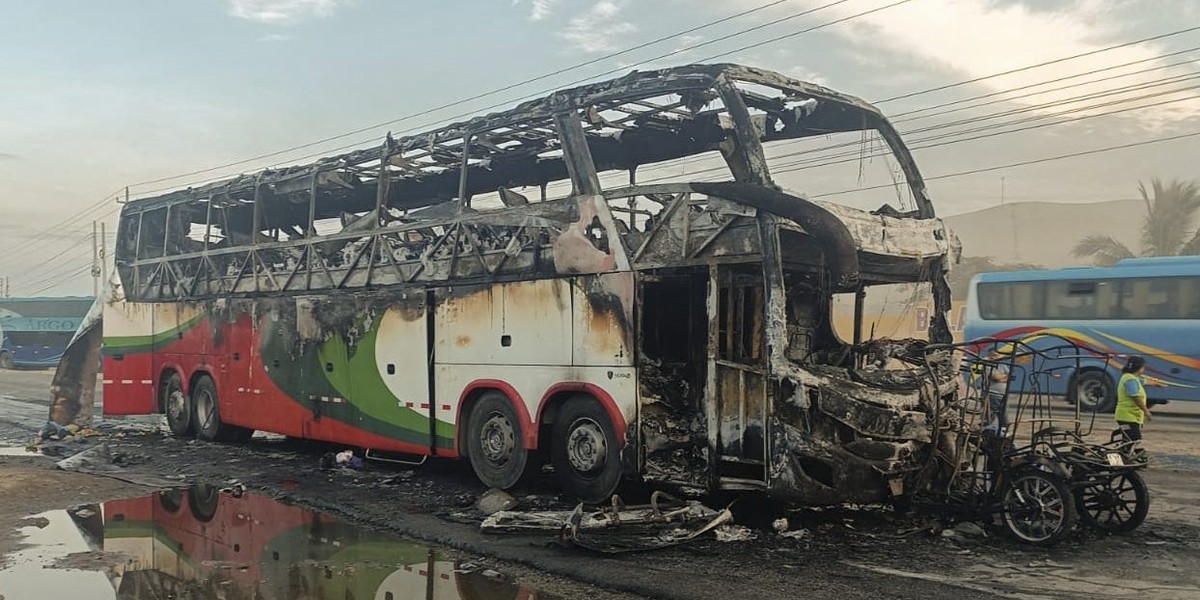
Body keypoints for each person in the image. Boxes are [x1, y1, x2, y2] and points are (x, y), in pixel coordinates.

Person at [1114, 355, 1164, 448]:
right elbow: (1135, 397)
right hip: (1127, 416)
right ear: (1139, 368)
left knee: (1129, 440)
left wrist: (1156, 383)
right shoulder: (1130, 380)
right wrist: (1146, 411)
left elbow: (1143, 381)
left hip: (1130, 416)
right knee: (1134, 439)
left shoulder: (1130, 377)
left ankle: (1124, 455)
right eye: (1143, 367)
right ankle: (1122, 455)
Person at [985, 346, 1012, 431]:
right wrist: (1003, 377)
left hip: (1002, 395)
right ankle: (986, 435)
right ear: (989, 356)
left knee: (1004, 419)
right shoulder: (987, 365)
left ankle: (1002, 435)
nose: (994, 357)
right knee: (988, 418)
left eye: (996, 355)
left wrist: (1003, 377)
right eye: (992, 355)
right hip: (991, 395)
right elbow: (996, 377)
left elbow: (1010, 376)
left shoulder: (1003, 365)